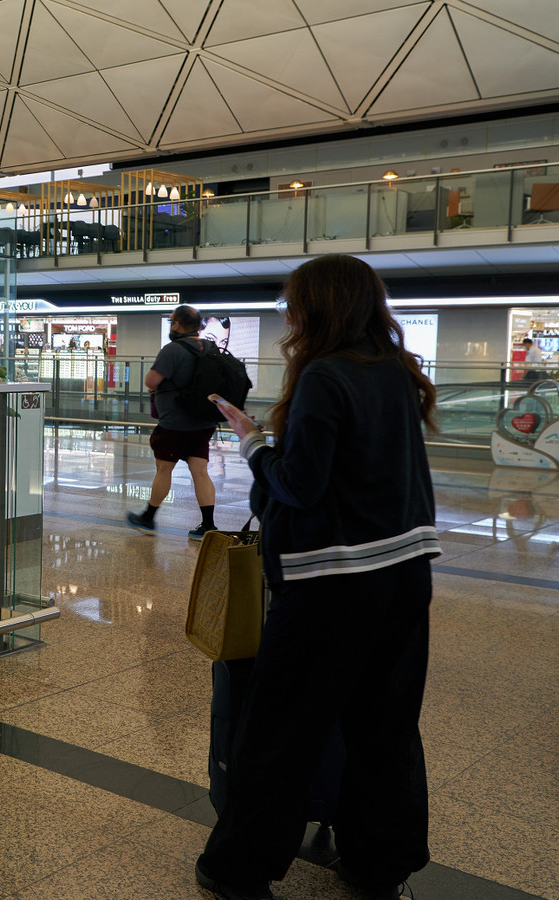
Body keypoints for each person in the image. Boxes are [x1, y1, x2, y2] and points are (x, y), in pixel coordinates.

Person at [196, 254, 439, 900]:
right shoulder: (395, 371)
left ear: (317, 308)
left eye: (293, 304)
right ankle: (379, 863)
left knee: (283, 729)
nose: (289, 316)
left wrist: (251, 442)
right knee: (384, 728)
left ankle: (238, 869)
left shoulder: (325, 377)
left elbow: (299, 486)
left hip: (333, 586)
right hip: (407, 575)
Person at [126, 304, 219, 540]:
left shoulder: (172, 350)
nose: (171, 325)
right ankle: (208, 525)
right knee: (200, 471)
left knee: (164, 469)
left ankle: (148, 518)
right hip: (204, 421)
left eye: (171, 321)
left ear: (177, 324)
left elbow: (151, 380)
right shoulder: (210, 347)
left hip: (175, 423)